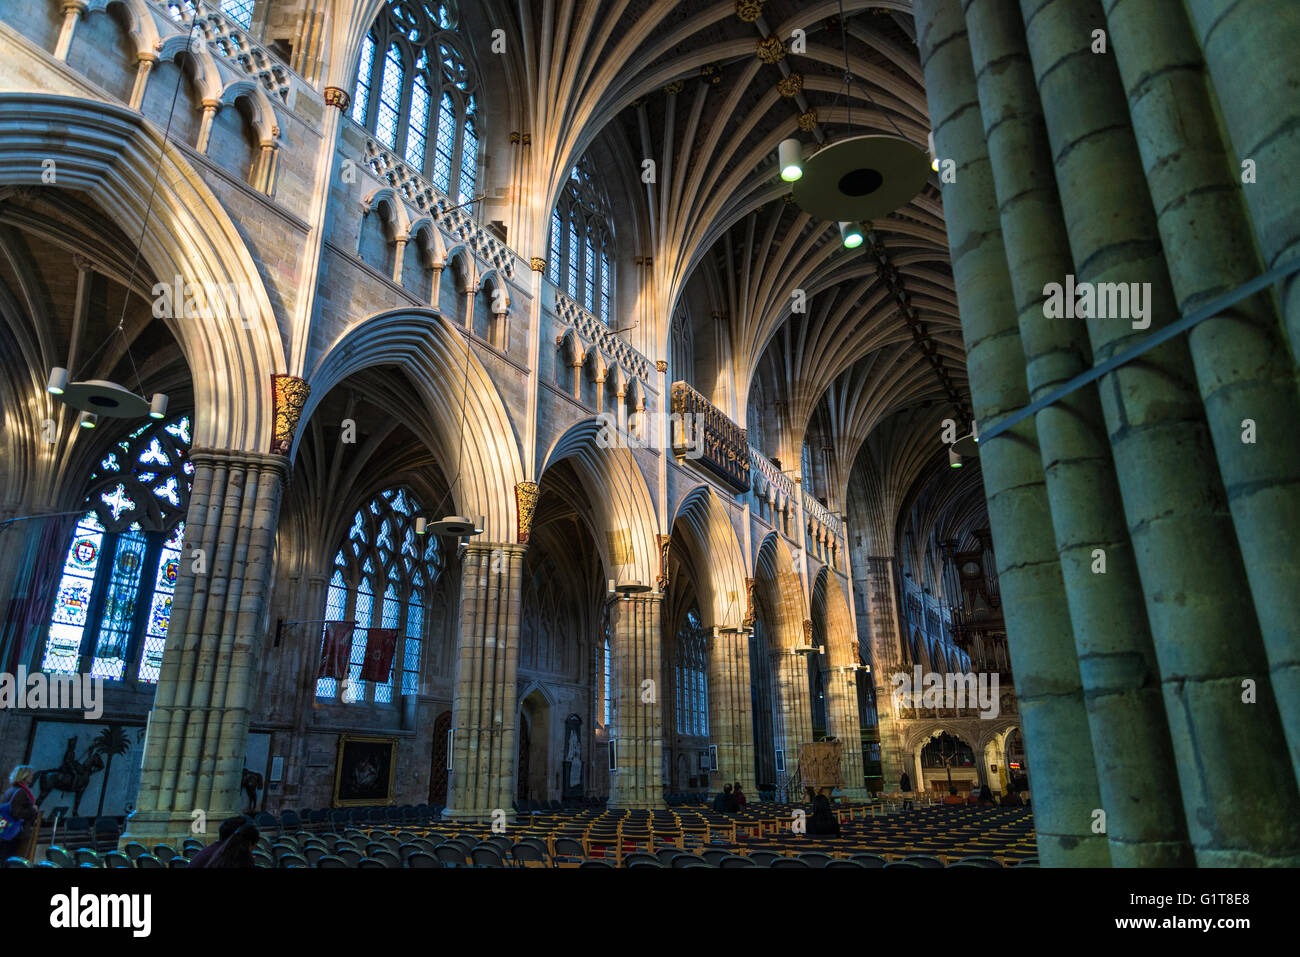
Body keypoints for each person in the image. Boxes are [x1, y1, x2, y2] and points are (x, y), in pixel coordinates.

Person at [0, 766, 39, 864]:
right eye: (30, 775)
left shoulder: (11, 789)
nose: (32, 777)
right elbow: (16, 813)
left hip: (5, 829)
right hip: (13, 832)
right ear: (24, 776)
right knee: (8, 859)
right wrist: (33, 810)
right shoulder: (21, 792)